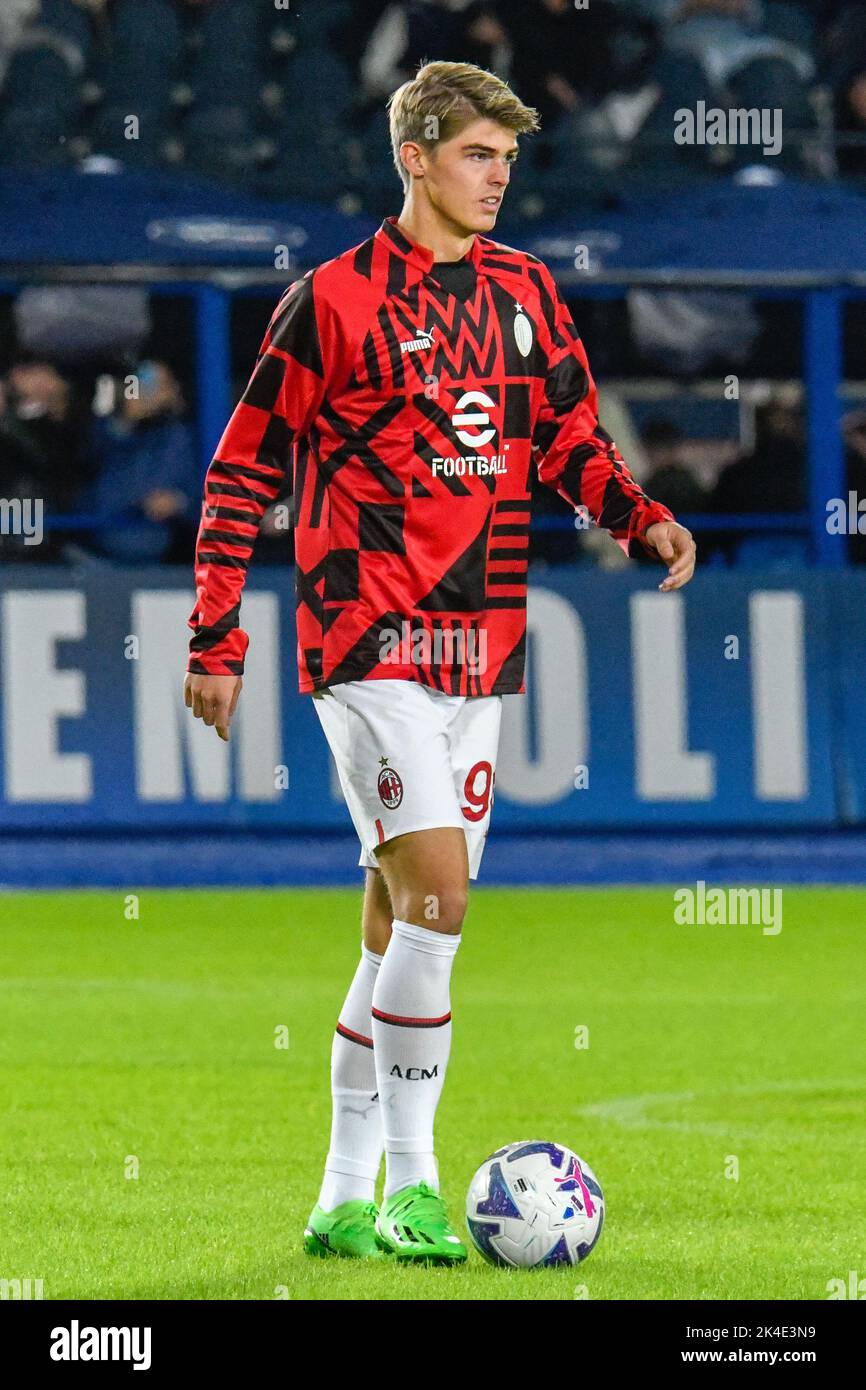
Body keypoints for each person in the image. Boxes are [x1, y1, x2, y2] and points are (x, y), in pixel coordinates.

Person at [183, 59, 696, 1265]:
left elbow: (566, 432)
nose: (496, 179)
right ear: (412, 158)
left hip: (483, 643)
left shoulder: (523, 292)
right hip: (364, 639)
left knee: (391, 924)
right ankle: (416, 1183)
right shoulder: (330, 301)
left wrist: (636, 515)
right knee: (440, 900)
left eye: (507, 159)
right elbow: (242, 471)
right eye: (476, 156)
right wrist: (214, 633)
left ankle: (336, 1194)